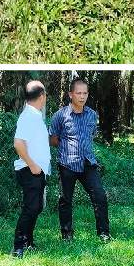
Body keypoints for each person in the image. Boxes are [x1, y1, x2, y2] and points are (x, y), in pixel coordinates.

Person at [49, 77, 110, 242]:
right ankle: (67, 234)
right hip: (67, 164)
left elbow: (91, 136)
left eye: (85, 93)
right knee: (65, 200)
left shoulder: (92, 115)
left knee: (100, 196)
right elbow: (52, 139)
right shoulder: (60, 116)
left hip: (88, 163)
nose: (82, 96)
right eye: (78, 93)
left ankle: (104, 233)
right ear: (70, 94)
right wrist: (67, 147)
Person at [11, 80, 50, 257]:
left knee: (35, 206)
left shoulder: (34, 115)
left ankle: (28, 242)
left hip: (37, 170)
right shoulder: (28, 116)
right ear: (42, 96)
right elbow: (18, 144)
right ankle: (18, 246)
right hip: (30, 170)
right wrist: (33, 165)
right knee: (31, 207)